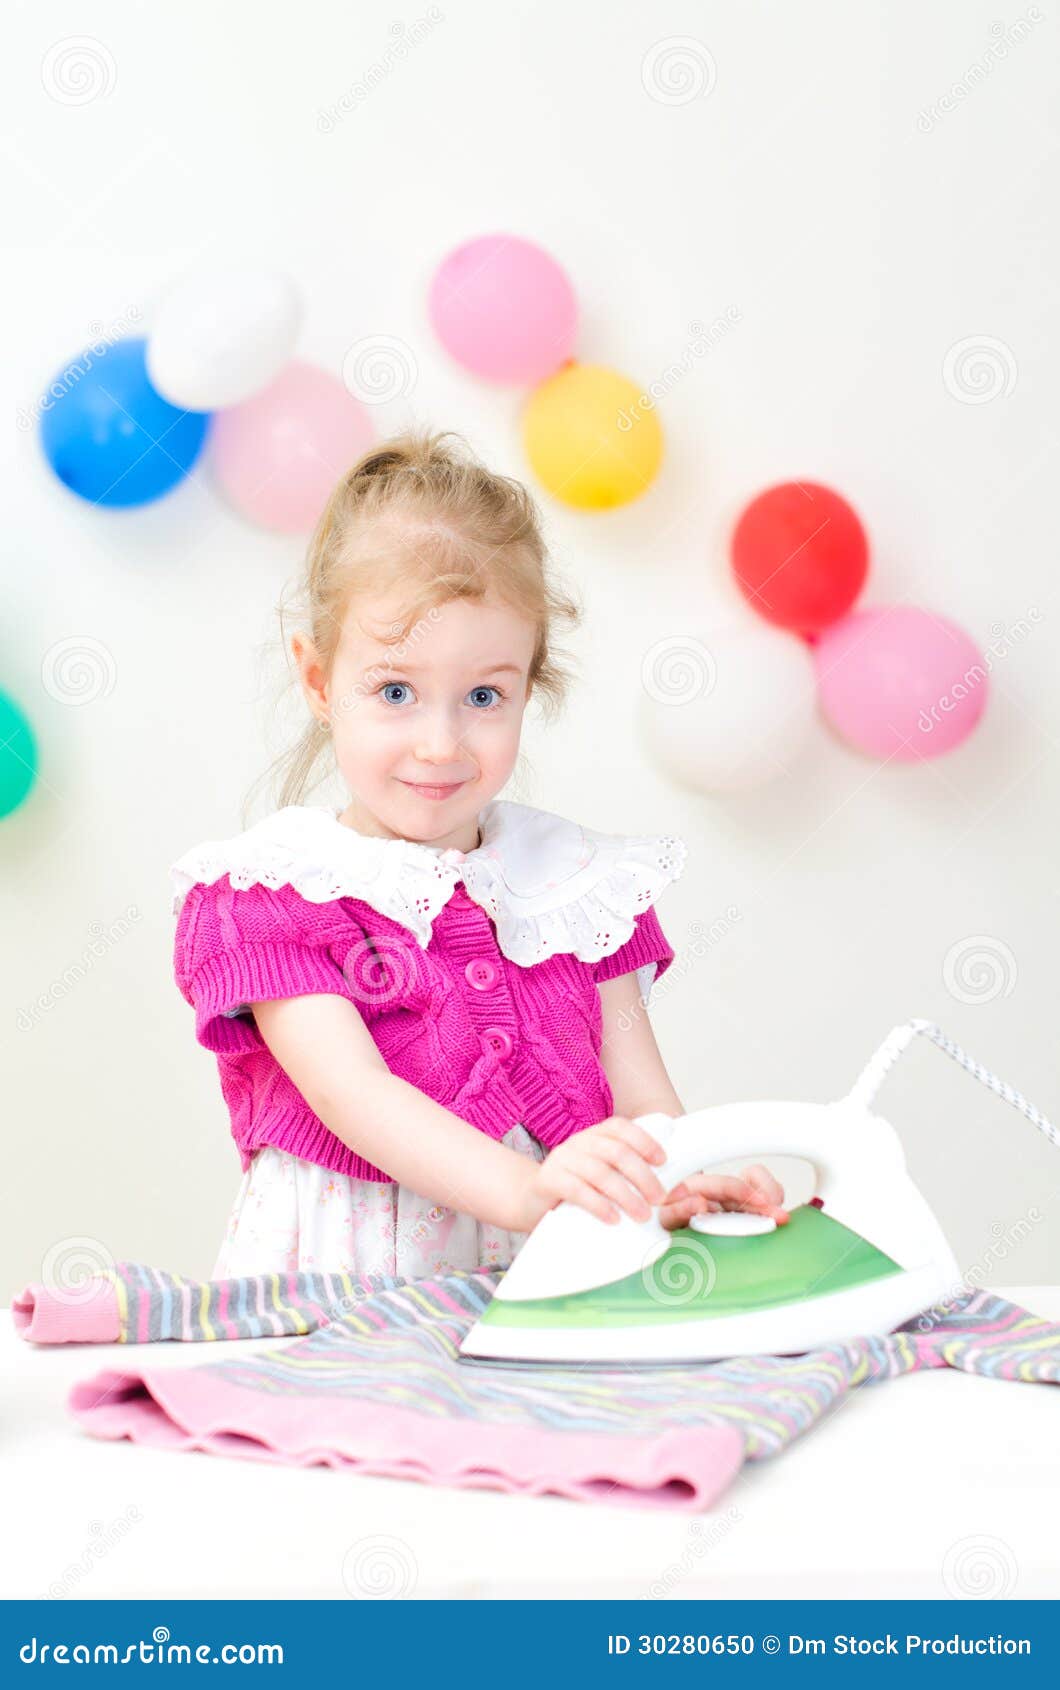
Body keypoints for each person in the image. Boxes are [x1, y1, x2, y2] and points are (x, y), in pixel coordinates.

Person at [171, 429, 787, 1279]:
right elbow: (356, 1097)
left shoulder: (581, 889)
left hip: (550, 1259)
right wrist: (532, 1192)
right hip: (353, 1275)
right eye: (395, 691)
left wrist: (680, 1180)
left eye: (484, 696)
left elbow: (645, 1099)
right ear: (319, 681)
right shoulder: (272, 897)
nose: (440, 743)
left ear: (528, 686)